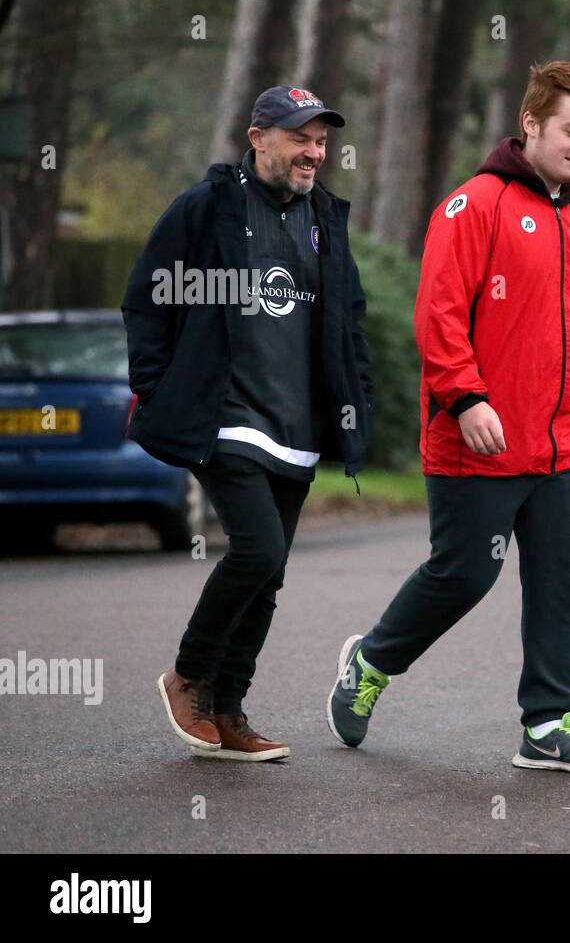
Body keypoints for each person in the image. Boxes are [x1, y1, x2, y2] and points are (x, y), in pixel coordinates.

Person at [327, 61, 570, 775]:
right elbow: (439, 313)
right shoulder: (474, 205)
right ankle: (370, 661)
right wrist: (465, 399)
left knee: (560, 578)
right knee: (464, 575)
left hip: (563, 447)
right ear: (531, 124)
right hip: (477, 437)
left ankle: (549, 722)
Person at [122, 86, 373, 761]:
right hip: (225, 416)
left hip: (298, 423)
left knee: (271, 572)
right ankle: (188, 677)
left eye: (321, 142)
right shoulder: (208, 209)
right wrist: (157, 387)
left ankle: (229, 709)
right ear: (258, 137)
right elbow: (148, 298)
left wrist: (356, 401)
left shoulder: (324, 218)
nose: (313, 153)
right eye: (300, 138)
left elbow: (349, 319)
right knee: (257, 551)